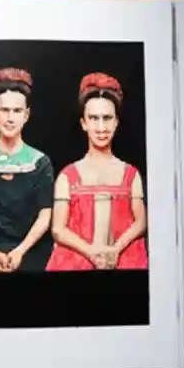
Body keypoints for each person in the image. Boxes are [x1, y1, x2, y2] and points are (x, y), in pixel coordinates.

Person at [46, 72, 148, 270]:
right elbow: (58, 229)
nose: (101, 127)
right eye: (94, 118)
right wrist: (91, 252)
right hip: (76, 264)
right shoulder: (68, 176)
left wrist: (115, 249)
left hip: (125, 262)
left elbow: (141, 221)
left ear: (116, 122)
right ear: (84, 123)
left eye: (107, 118)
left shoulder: (130, 174)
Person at [0, 68, 55, 272]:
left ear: (26, 115)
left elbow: (45, 214)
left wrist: (20, 252)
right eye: (5, 110)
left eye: (17, 111)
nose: (10, 118)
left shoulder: (40, 162)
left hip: (30, 257)